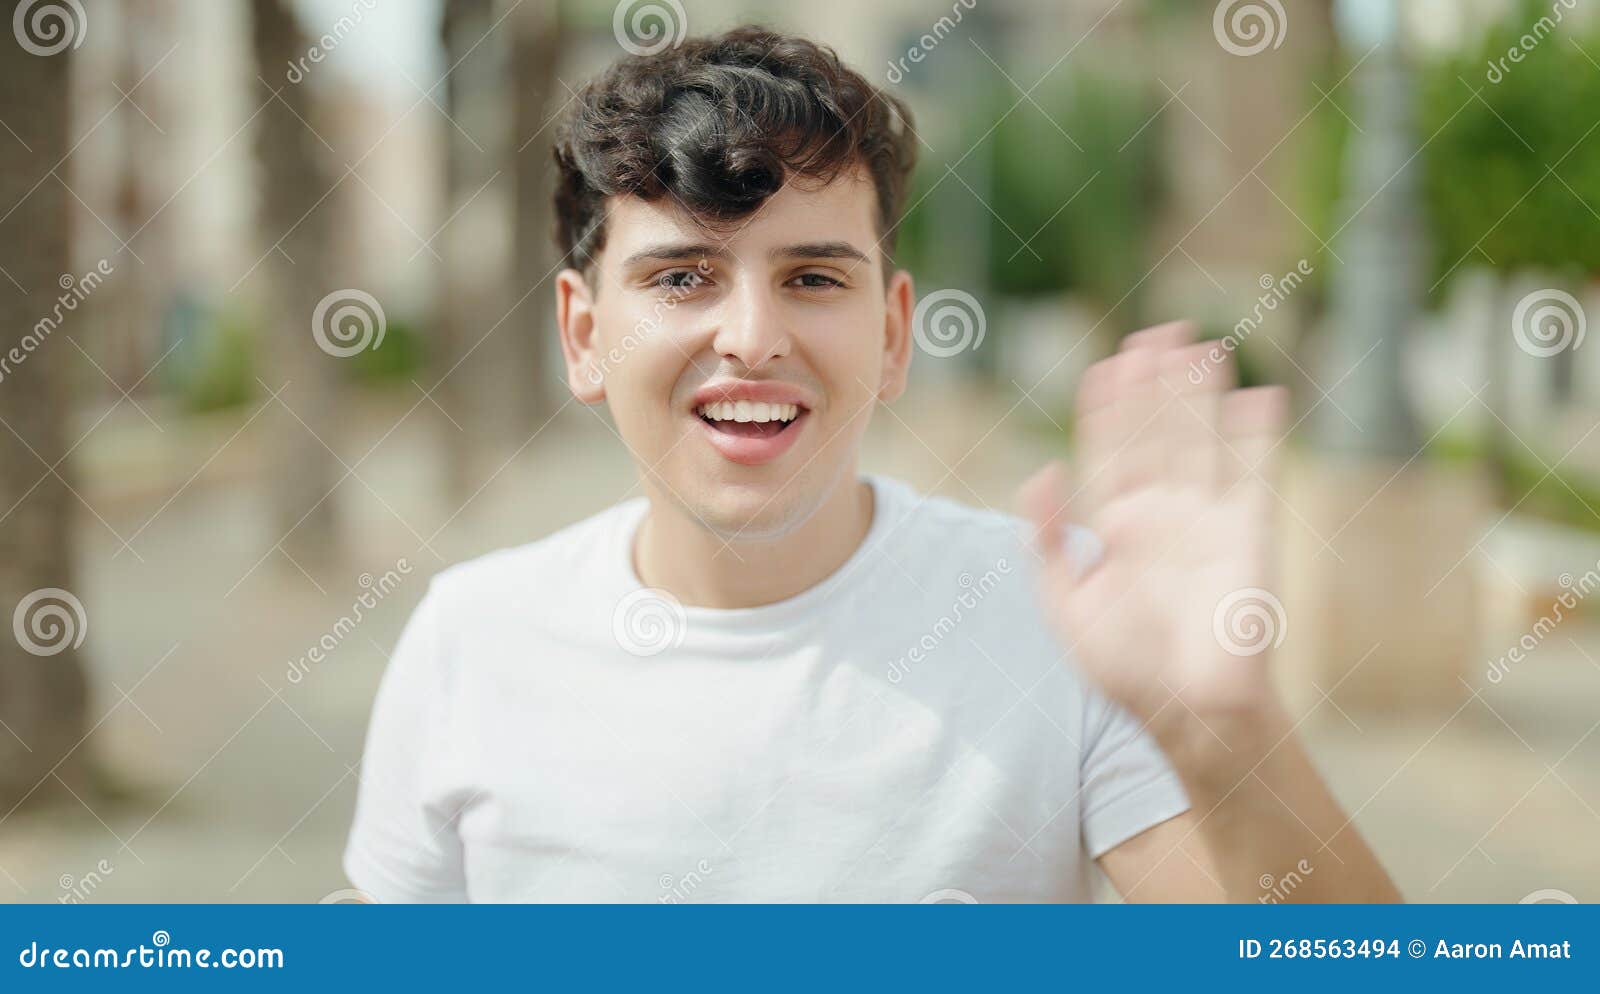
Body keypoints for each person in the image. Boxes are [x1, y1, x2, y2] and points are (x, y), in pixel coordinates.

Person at [343, 25, 1399, 903]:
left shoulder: (1065, 621)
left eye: (810, 277)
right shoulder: (468, 642)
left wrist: (1216, 728)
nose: (752, 336)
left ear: (893, 335)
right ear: (582, 335)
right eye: (681, 277)